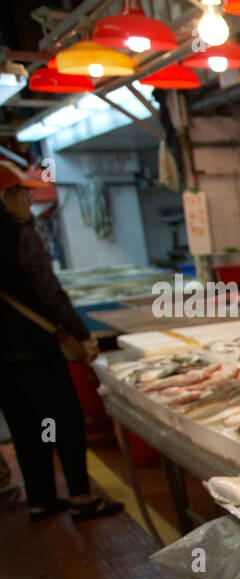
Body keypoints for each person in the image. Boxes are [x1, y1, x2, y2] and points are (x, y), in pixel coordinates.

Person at [0, 160, 122, 522]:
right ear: (7, 196)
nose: (28, 201)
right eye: (23, 194)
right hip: (35, 349)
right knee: (62, 421)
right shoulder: (19, 233)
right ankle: (82, 498)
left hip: (2, 359)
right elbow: (49, 292)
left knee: (25, 427)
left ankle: (40, 498)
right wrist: (82, 333)